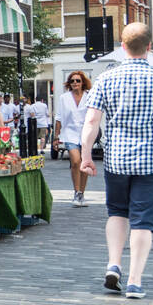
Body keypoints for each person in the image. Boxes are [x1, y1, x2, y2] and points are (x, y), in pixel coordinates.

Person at [79, 23, 153, 299]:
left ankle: (113, 264)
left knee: (117, 212)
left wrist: (86, 156)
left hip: (117, 159)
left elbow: (91, 121)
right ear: (149, 47)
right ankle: (134, 281)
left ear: (122, 47)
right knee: (144, 222)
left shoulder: (105, 79)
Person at [56, 70, 93, 207]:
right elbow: (59, 117)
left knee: (84, 164)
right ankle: (76, 192)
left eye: (78, 80)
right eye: (72, 81)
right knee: (76, 161)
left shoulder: (89, 96)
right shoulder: (64, 98)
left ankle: (81, 194)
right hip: (69, 133)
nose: (75, 83)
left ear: (83, 82)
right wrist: (56, 137)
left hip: (86, 134)